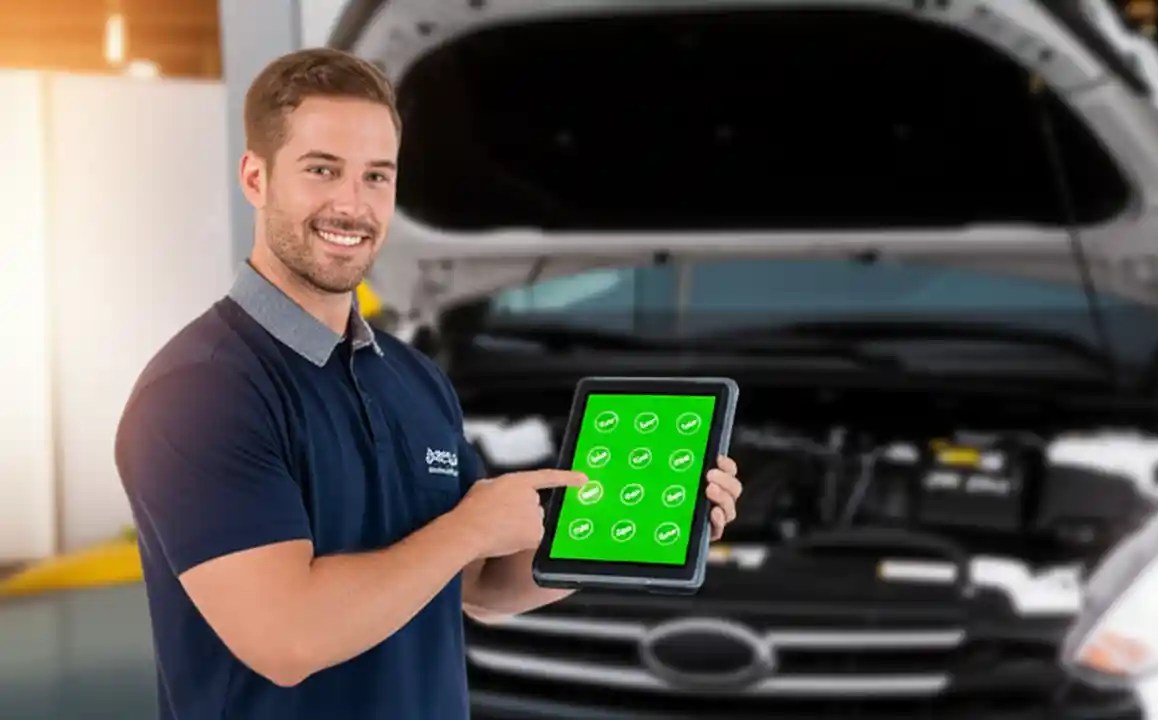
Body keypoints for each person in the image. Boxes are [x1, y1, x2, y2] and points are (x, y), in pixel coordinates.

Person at [114, 48, 743, 720]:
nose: (352, 204)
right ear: (256, 177)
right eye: (322, 169)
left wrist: (636, 526)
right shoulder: (199, 392)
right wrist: (469, 529)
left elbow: (479, 585)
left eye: (376, 176)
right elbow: (286, 637)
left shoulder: (413, 381)